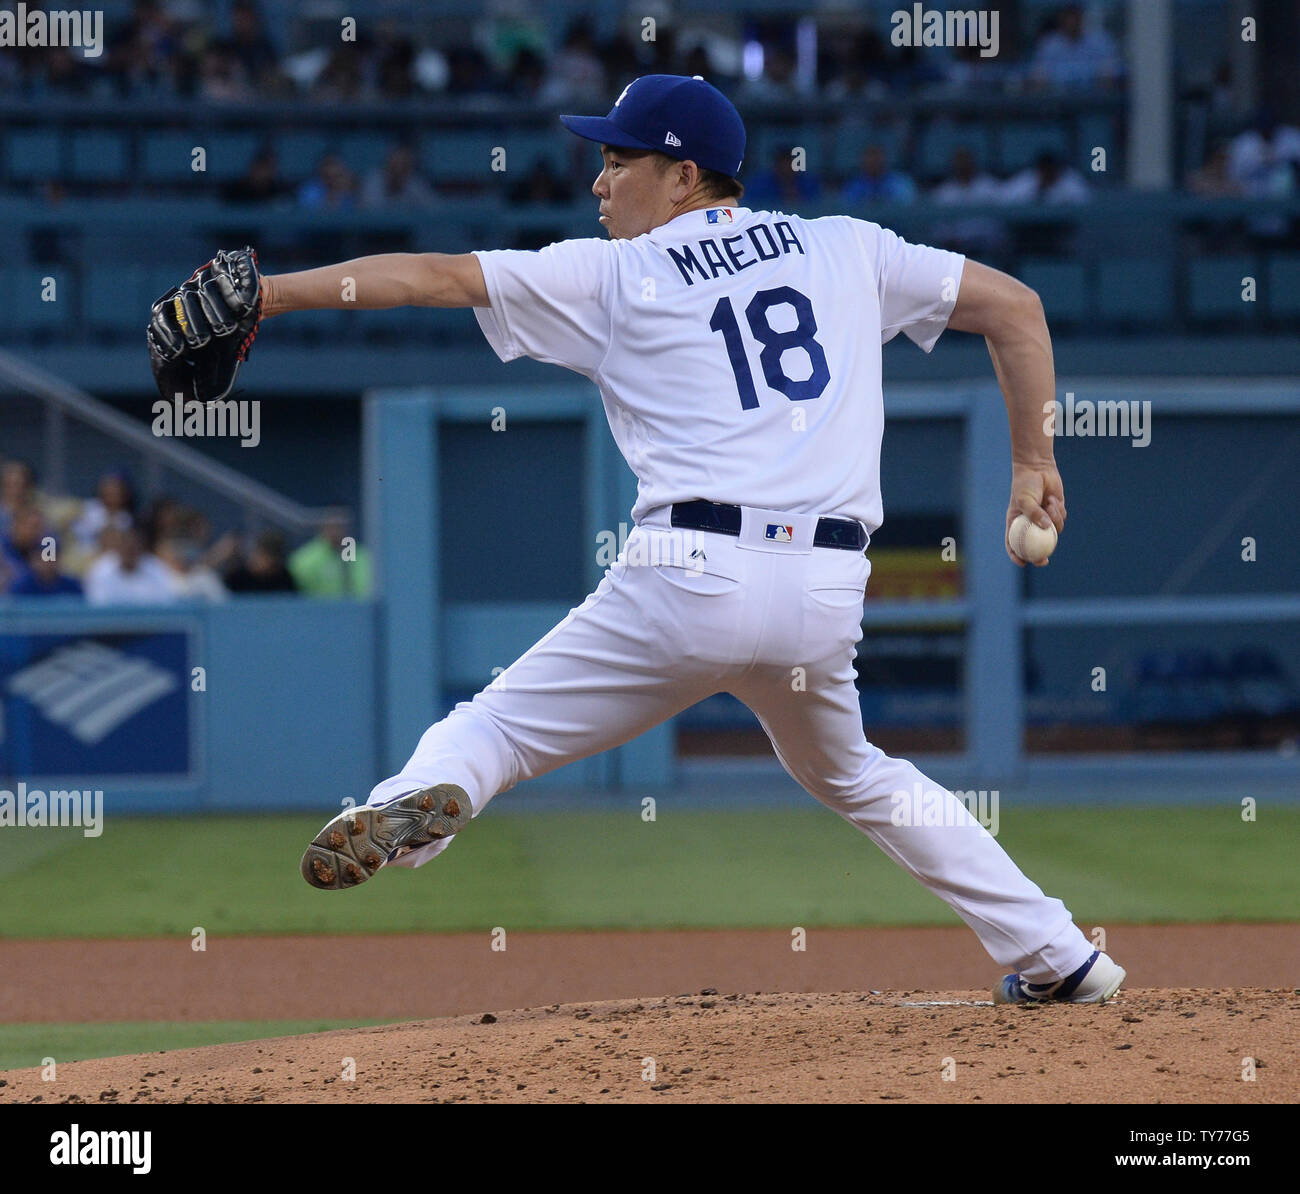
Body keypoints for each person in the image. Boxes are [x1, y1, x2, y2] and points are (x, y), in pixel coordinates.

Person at [160, 74, 1127, 1004]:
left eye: (617, 158)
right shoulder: (847, 249)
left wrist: (271, 295)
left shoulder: (617, 273)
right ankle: (1058, 954)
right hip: (827, 591)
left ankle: (412, 806)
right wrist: (1032, 459)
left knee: (492, 729)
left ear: (682, 175)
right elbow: (1016, 307)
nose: (598, 179)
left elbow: (433, 278)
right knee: (857, 773)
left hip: (689, 575)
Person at [84, 527, 175, 605]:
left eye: (133, 548)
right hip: (110, 624)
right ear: (118, 548)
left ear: (141, 548)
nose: (130, 552)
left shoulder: (156, 568)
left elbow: (166, 602)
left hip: (150, 624)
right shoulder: (101, 569)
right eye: (127, 548)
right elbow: (97, 605)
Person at [288, 517, 373, 598]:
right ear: (323, 528)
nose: (337, 532)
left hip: (358, 609)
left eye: (341, 527)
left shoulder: (362, 555)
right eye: (333, 526)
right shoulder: (305, 559)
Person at [225, 530, 297, 593]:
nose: (264, 561)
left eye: (269, 557)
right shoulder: (238, 577)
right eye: (262, 555)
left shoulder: (284, 577)